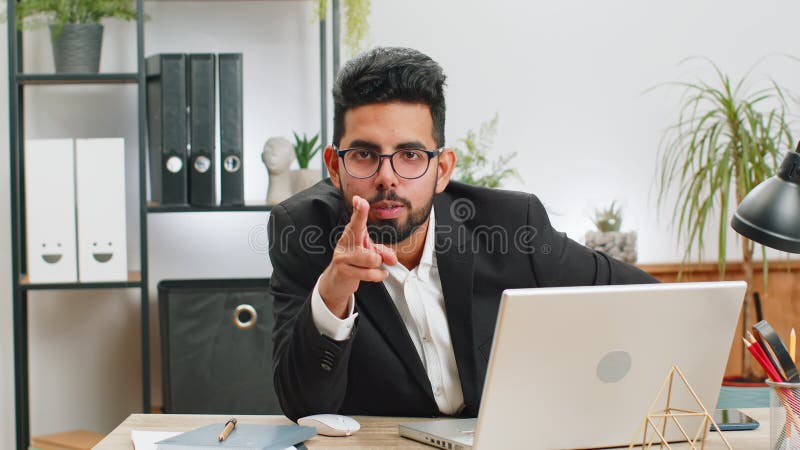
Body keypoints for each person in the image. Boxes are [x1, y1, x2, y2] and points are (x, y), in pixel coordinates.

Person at [268, 47, 657, 422]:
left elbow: (647, 299)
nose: (387, 177)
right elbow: (304, 407)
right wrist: (333, 293)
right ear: (335, 166)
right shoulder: (303, 232)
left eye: (410, 155)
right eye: (364, 155)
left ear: (443, 169)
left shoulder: (512, 227)